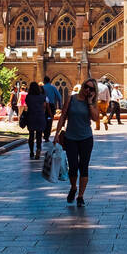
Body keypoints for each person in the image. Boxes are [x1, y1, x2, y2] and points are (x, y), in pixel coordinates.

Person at [52, 77, 97, 206]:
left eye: (91, 89)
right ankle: (73, 187)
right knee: (73, 167)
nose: (87, 89)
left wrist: (89, 102)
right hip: (70, 138)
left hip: (86, 139)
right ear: (82, 86)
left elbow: (95, 118)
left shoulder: (92, 102)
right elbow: (63, 116)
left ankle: (81, 197)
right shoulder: (71, 99)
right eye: (86, 86)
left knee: (84, 167)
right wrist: (56, 134)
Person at [24, 80, 48, 159]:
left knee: (31, 135)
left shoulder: (28, 97)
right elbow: (44, 106)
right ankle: (38, 149)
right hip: (40, 117)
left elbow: (27, 105)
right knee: (39, 135)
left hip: (31, 117)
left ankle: (31, 151)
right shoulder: (42, 97)